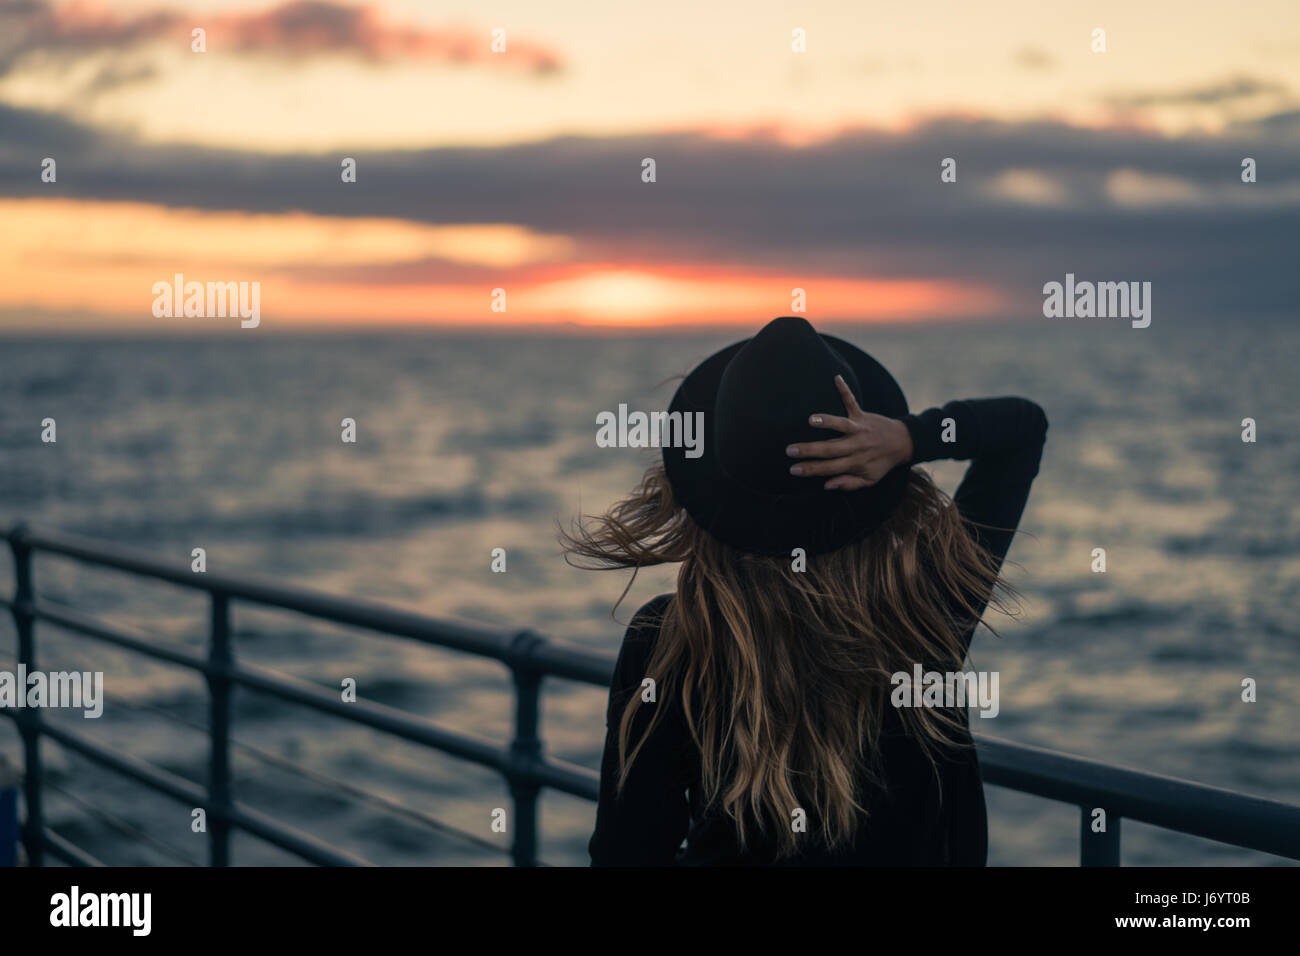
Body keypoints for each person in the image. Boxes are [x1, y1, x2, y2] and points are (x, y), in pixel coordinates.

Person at [564, 316, 1048, 865]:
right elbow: (1023, 429)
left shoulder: (670, 642)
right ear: (871, 476)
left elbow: (627, 853)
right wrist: (911, 437)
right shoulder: (922, 612)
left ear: (707, 492)